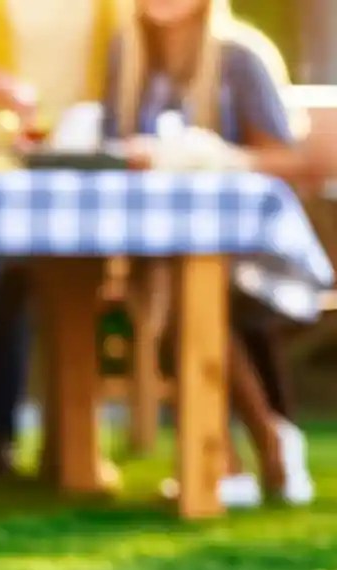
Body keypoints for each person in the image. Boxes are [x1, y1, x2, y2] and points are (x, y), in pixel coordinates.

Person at [102, 0, 326, 506]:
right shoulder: (128, 54)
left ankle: (235, 455)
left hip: (249, 250)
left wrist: (215, 157)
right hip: (156, 241)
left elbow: (288, 160)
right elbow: (113, 144)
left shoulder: (239, 55)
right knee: (169, 281)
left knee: (187, 288)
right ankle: (253, 447)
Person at [0, 0, 125, 480]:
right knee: (4, 289)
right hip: (16, 160)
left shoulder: (112, 8)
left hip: (89, 161)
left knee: (80, 289)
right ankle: (0, 441)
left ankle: (77, 449)